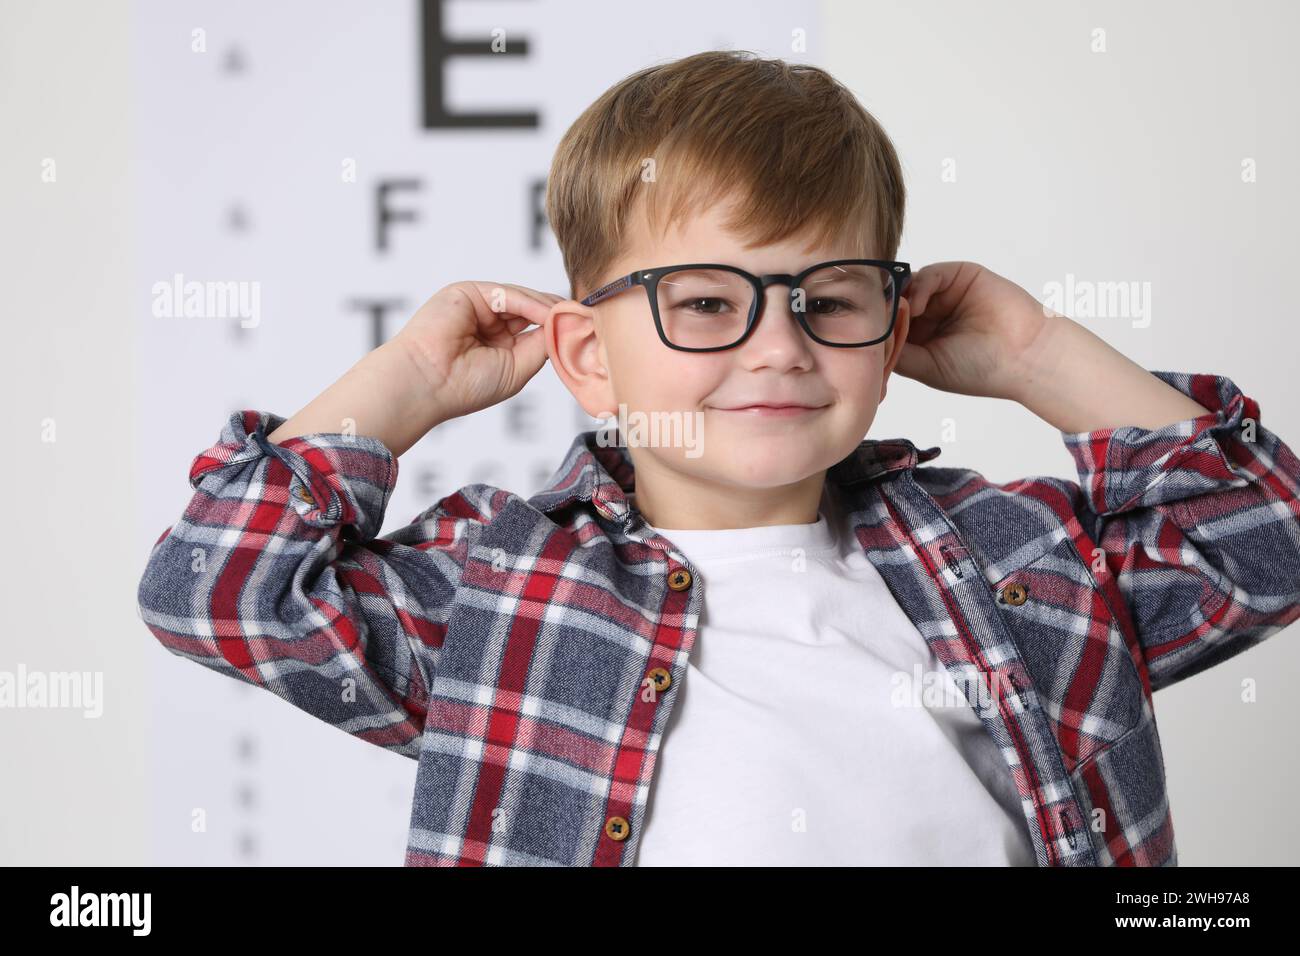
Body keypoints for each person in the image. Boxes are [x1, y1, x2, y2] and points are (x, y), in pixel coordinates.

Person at [137, 49, 1300, 867]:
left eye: (828, 299)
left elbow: (1264, 543)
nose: (778, 347)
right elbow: (216, 588)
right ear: (586, 355)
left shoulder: (1015, 557)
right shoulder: (499, 586)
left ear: (891, 329)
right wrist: (407, 383)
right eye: (703, 302)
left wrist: (1039, 353)